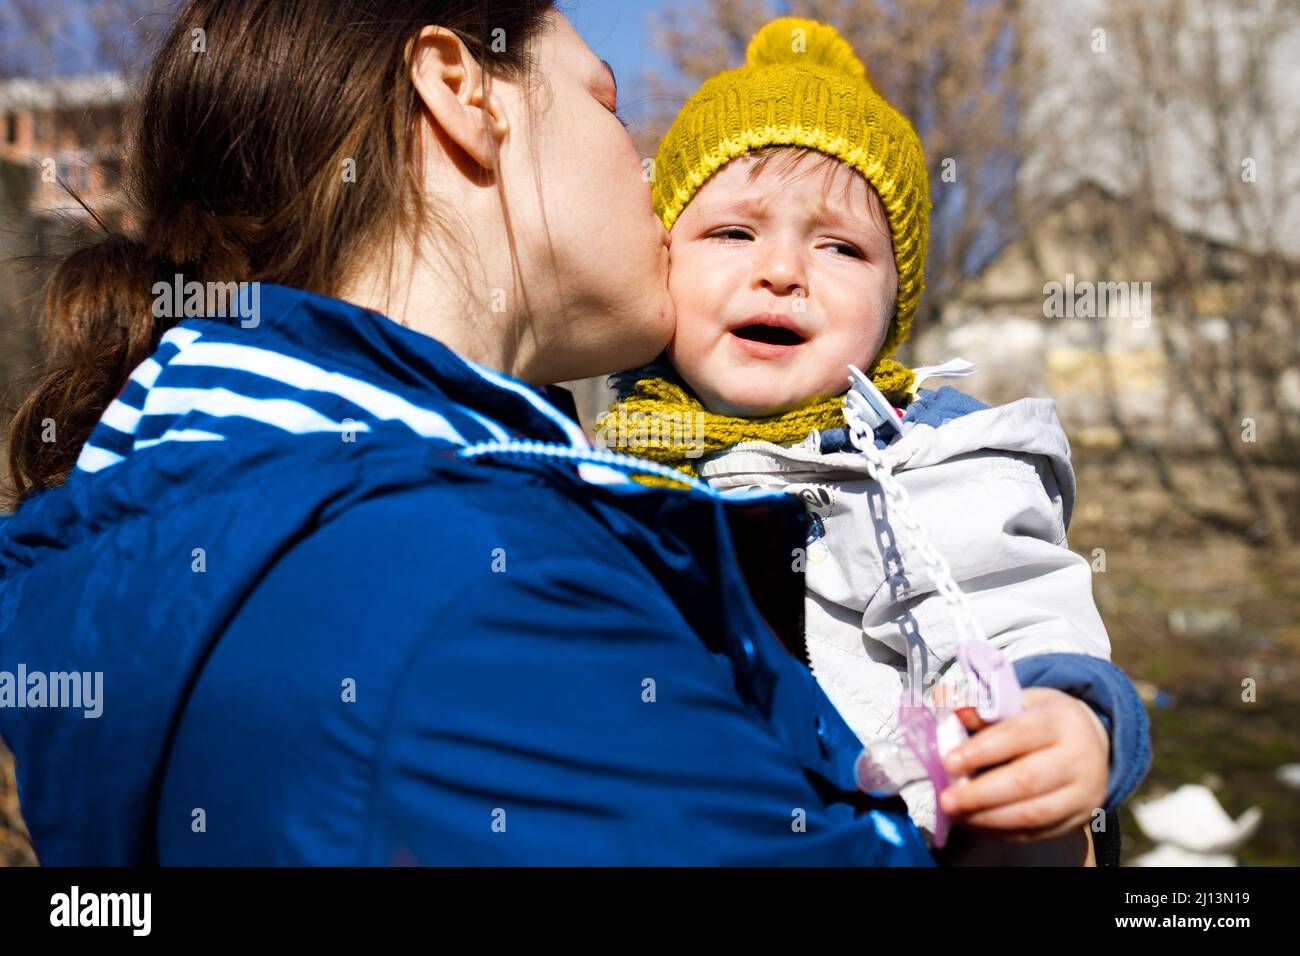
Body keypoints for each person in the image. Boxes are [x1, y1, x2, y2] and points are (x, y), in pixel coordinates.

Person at [0, 2, 940, 866]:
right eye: (608, 106)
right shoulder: (464, 578)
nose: (649, 176)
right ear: (459, 92)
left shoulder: (237, 520)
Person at [598, 18, 1150, 861]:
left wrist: (1061, 714)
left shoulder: (918, 464)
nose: (782, 270)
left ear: (893, 310)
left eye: (841, 246)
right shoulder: (602, 463)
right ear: (661, 255)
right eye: (734, 233)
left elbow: (1011, 616)